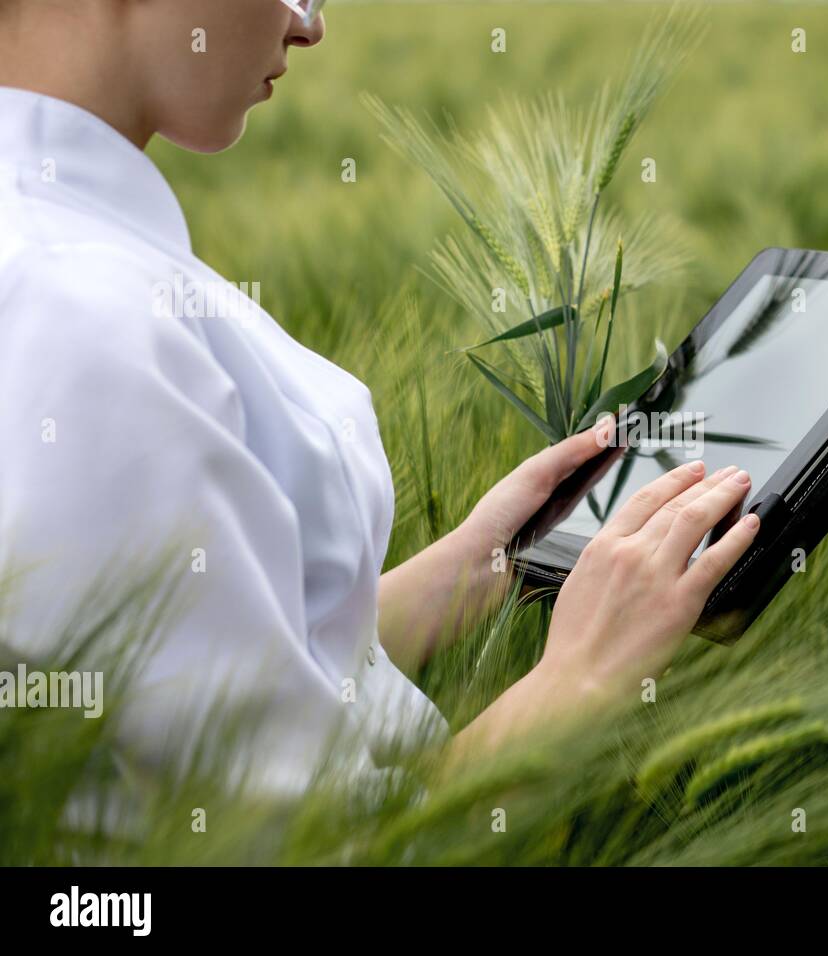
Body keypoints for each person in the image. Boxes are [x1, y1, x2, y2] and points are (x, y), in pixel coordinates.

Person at [0, 0, 760, 794]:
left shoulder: (61, 255)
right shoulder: (74, 310)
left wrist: (474, 567)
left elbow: (198, 694)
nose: (308, 24)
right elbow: (303, 851)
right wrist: (583, 678)